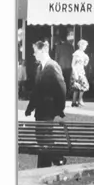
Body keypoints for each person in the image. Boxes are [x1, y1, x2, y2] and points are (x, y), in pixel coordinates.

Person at [25, 40, 68, 168]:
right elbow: (36, 90)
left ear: (43, 50)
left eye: (36, 51)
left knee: (44, 139)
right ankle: (47, 163)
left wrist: (60, 108)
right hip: (40, 109)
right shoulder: (40, 67)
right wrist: (30, 107)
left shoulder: (52, 66)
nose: (34, 54)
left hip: (48, 108)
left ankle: (56, 158)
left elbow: (62, 87)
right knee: (41, 139)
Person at [70, 39, 90, 107]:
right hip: (77, 72)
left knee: (78, 86)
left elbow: (84, 64)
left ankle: (74, 101)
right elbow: (72, 64)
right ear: (81, 45)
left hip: (81, 71)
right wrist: (75, 73)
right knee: (82, 85)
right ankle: (79, 100)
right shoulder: (76, 53)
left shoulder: (84, 54)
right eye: (84, 46)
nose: (85, 47)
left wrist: (86, 61)